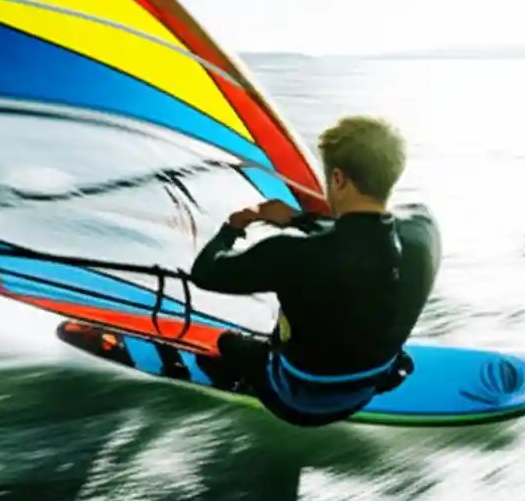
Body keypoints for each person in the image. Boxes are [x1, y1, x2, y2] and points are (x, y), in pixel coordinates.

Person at [189, 115, 441, 427]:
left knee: (229, 343)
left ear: (338, 179)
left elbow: (204, 272)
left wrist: (232, 228)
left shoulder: (290, 254)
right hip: (370, 385)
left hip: (298, 402)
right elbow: (367, 234)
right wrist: (298, 219)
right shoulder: (425, 231)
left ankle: (245, 381)